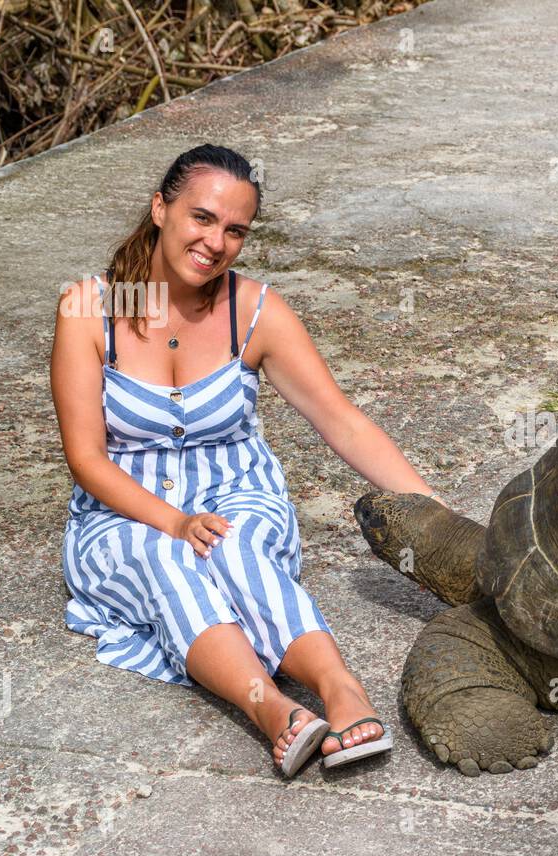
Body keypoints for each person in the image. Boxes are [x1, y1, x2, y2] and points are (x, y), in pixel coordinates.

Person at [50, 143, 443, 777]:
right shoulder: (88, 310)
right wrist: (174, 522)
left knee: (231, 547)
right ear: (160, 208)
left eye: (236, 229)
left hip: (237, 493)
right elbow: (86, 458)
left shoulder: (256, 310)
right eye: (202, 218)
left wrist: (437, 516)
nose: (216, 242)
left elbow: (341, 422)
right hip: (120, 511)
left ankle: (341, 689)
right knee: (166, 557)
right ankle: (272, 709)